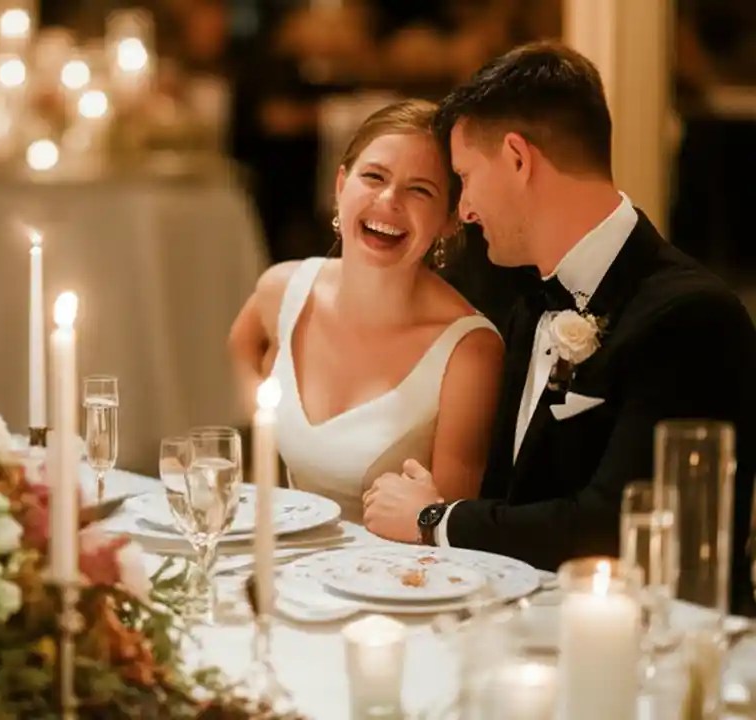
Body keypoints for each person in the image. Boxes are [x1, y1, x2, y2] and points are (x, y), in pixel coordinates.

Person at [361, 41, 756, 611]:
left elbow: (618, 526)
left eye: (466, 176)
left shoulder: (693, 317)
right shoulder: (532, 302)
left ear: (518, 159)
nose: (464, 209)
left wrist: (436, 519)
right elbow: (516, 498)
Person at [228, 99, 504, 522]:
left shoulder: (469, 352)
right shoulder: (283, 290)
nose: (389, 200)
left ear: (450, 220)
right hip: (283, 549)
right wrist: (265, 414)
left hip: (397, 563)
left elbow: (449, 530)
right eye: (374, 177)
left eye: (420, 190)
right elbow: (241, 345)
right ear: (341, 185)